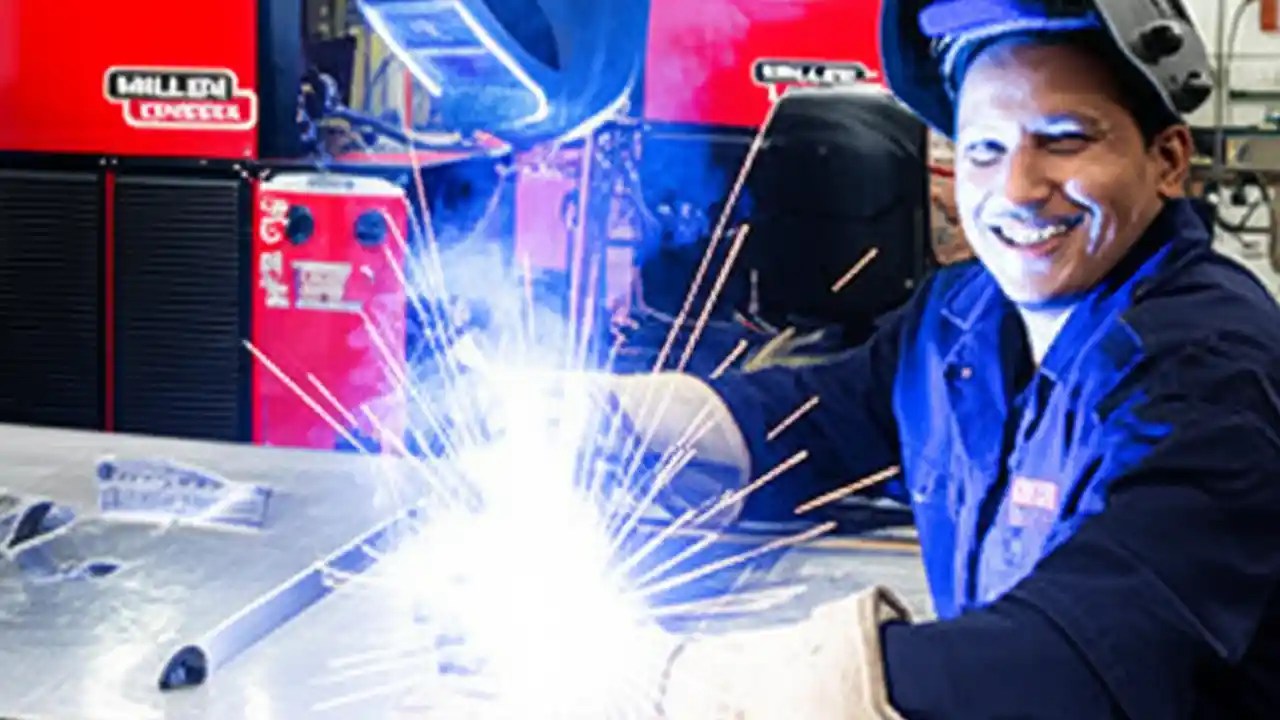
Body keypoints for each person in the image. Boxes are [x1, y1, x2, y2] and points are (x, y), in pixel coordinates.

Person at [585, 0, 1280, 717]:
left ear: (1168, 160)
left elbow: (1081, 659)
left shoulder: (1210, 374)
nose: (1017, 188)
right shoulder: (966, 318)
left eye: (1065, 140)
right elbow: (824, 420)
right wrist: (612, 416)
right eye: (984, 149)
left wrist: (715, 686)